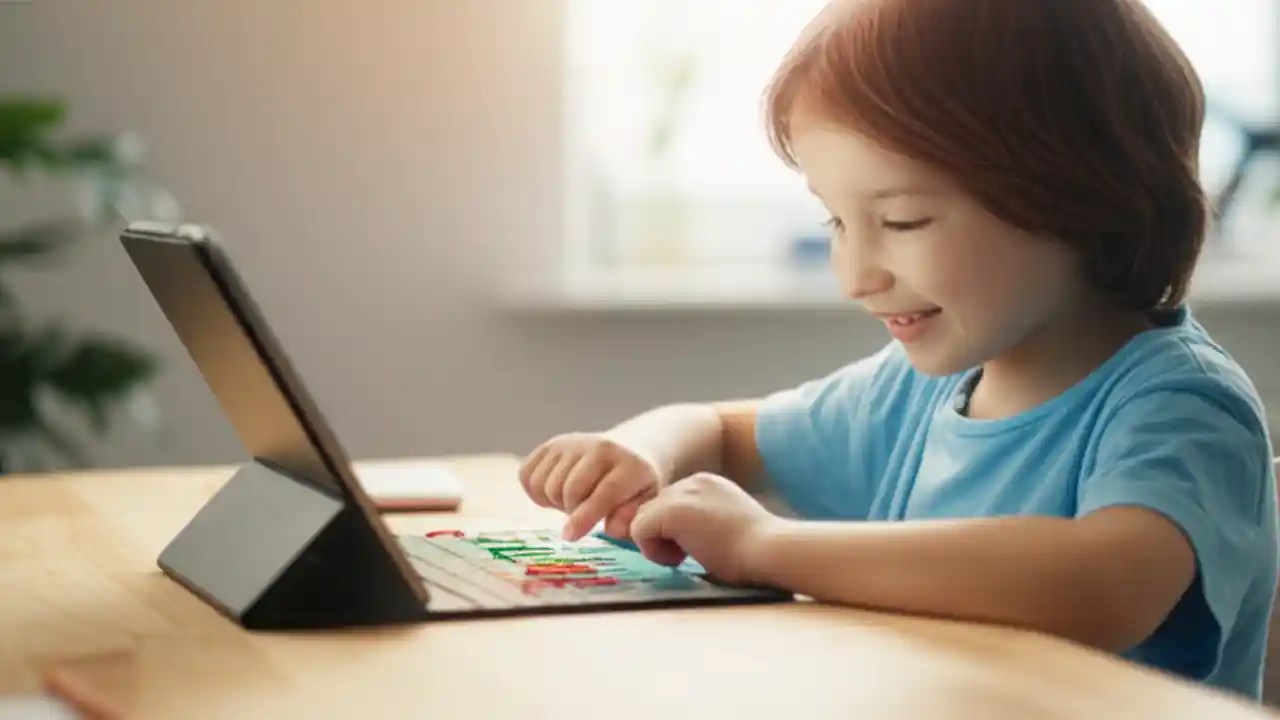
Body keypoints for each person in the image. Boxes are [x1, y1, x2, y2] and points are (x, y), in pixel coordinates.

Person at [519, 0, 1279, 700]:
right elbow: (720, 431)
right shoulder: (919, 390)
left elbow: (1105, 584)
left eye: (905, 221)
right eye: (837, 223)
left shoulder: (1180, 405)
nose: (856, 276)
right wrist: (640, 450)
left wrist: (763, 544)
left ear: (1085, 195)